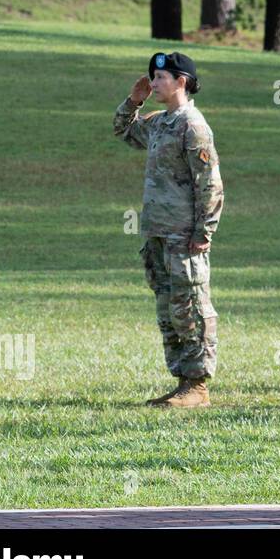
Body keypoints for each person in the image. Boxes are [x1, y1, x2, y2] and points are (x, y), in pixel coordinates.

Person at [113, 51, 223, 409]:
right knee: (168, 309)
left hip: (183, 234)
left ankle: (198, 385)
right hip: (159, 232)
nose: (154, 83)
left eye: (161, 78)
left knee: (190, 306)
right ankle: (182, 382)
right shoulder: (161, 122)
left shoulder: (193, 125)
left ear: (182, 82)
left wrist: (203, 231)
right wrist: (133, 101)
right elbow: (123, 131)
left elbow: (210, 184)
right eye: (153, 77)